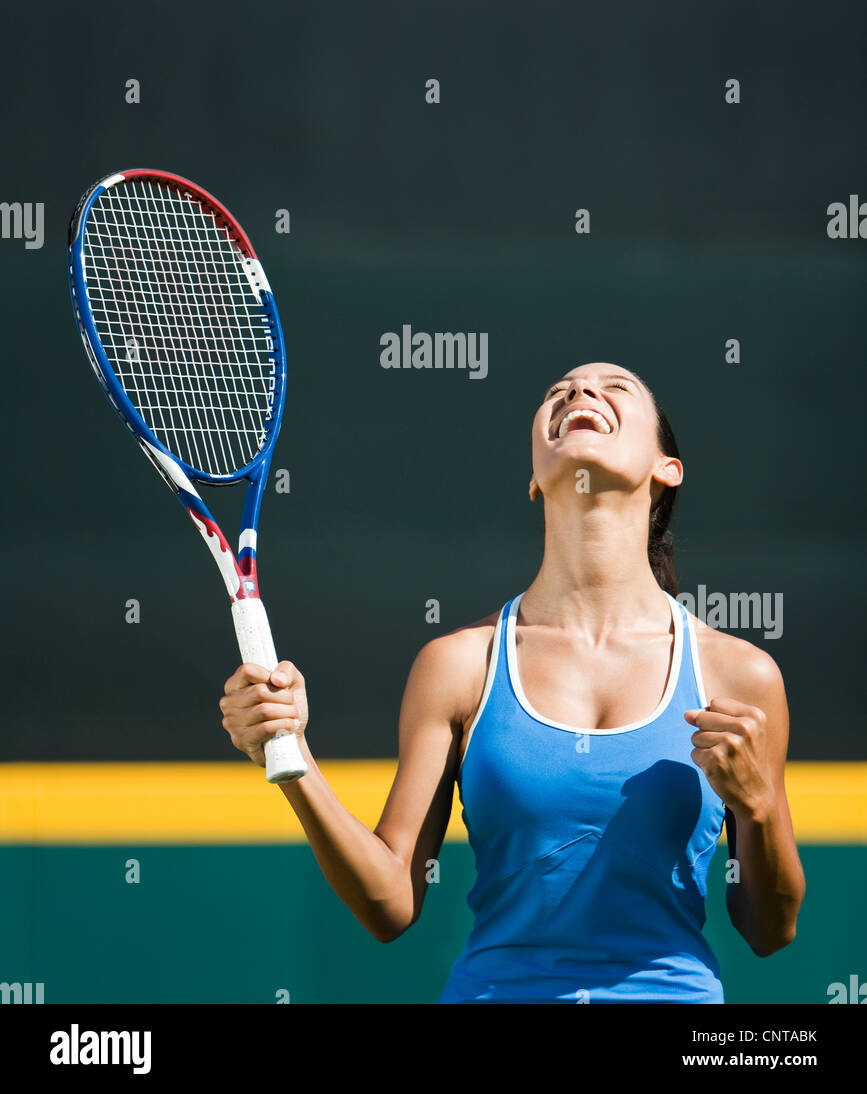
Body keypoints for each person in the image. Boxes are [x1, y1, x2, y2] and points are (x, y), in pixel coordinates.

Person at [219, 362, 805, 1003]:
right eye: (559, 391)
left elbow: (769, 929)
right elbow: (388, 903)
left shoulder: (741, 675)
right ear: (534, 478)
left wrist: (760, 806)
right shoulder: (457, 665)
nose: (580, 392)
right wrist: (292, 756)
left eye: (615, 388)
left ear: (669, 469)